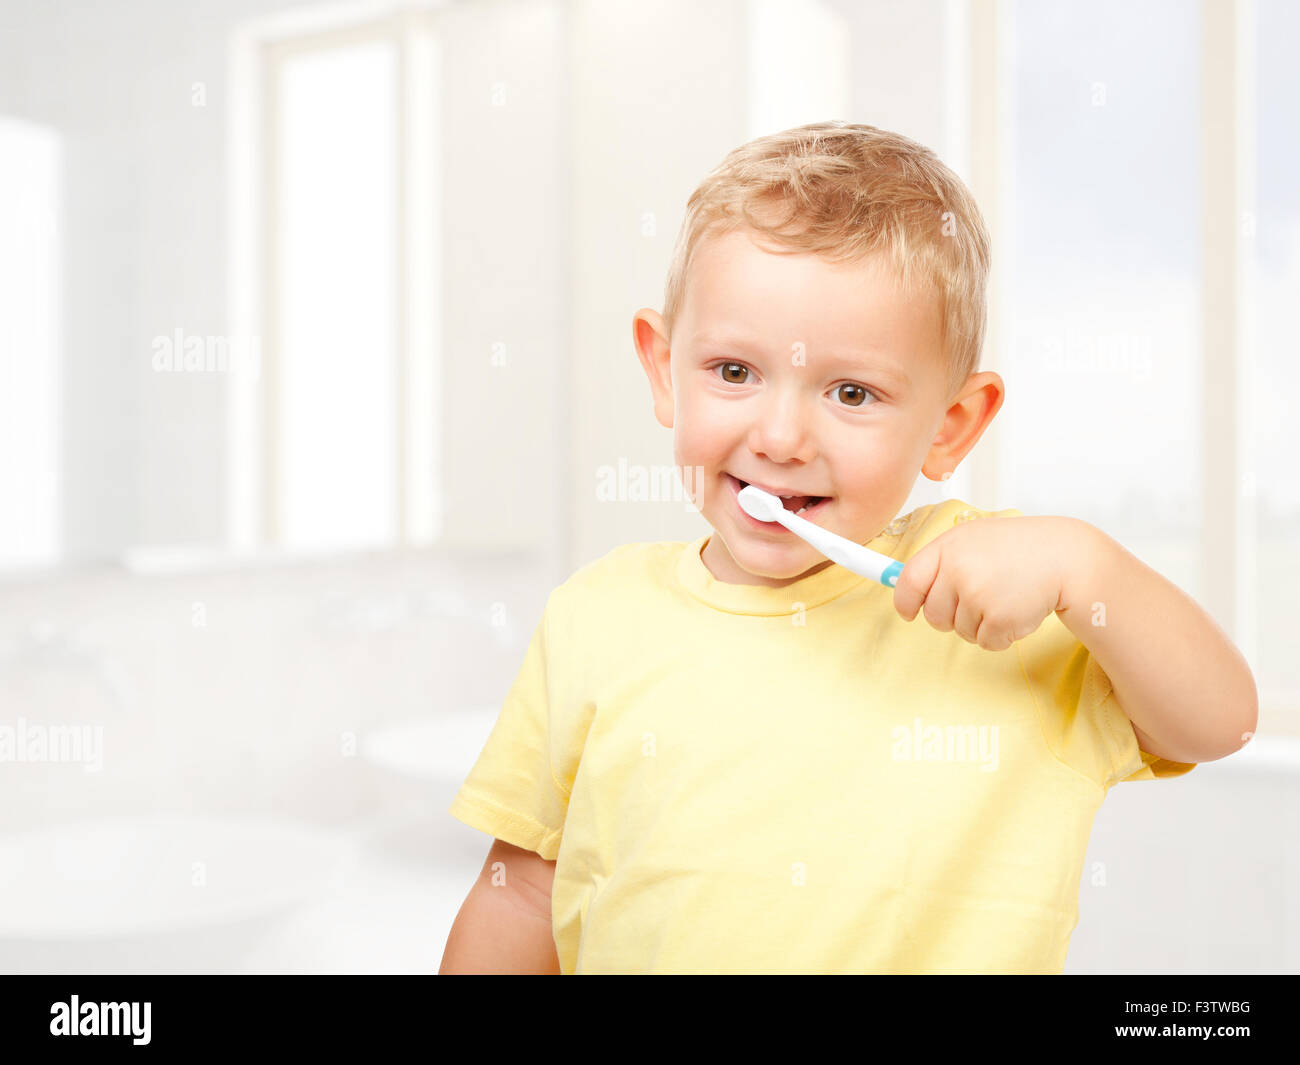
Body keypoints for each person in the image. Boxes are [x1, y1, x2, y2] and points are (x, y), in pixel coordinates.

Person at [439, 121, 1258, 975]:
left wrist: (1090, 568)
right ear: (662, 368)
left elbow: (1222, 720)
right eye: (732, 372)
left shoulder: (1004, 606)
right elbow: (523, 891)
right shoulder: (596, 617)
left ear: (951, 426)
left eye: (852, 391)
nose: (783, 435)